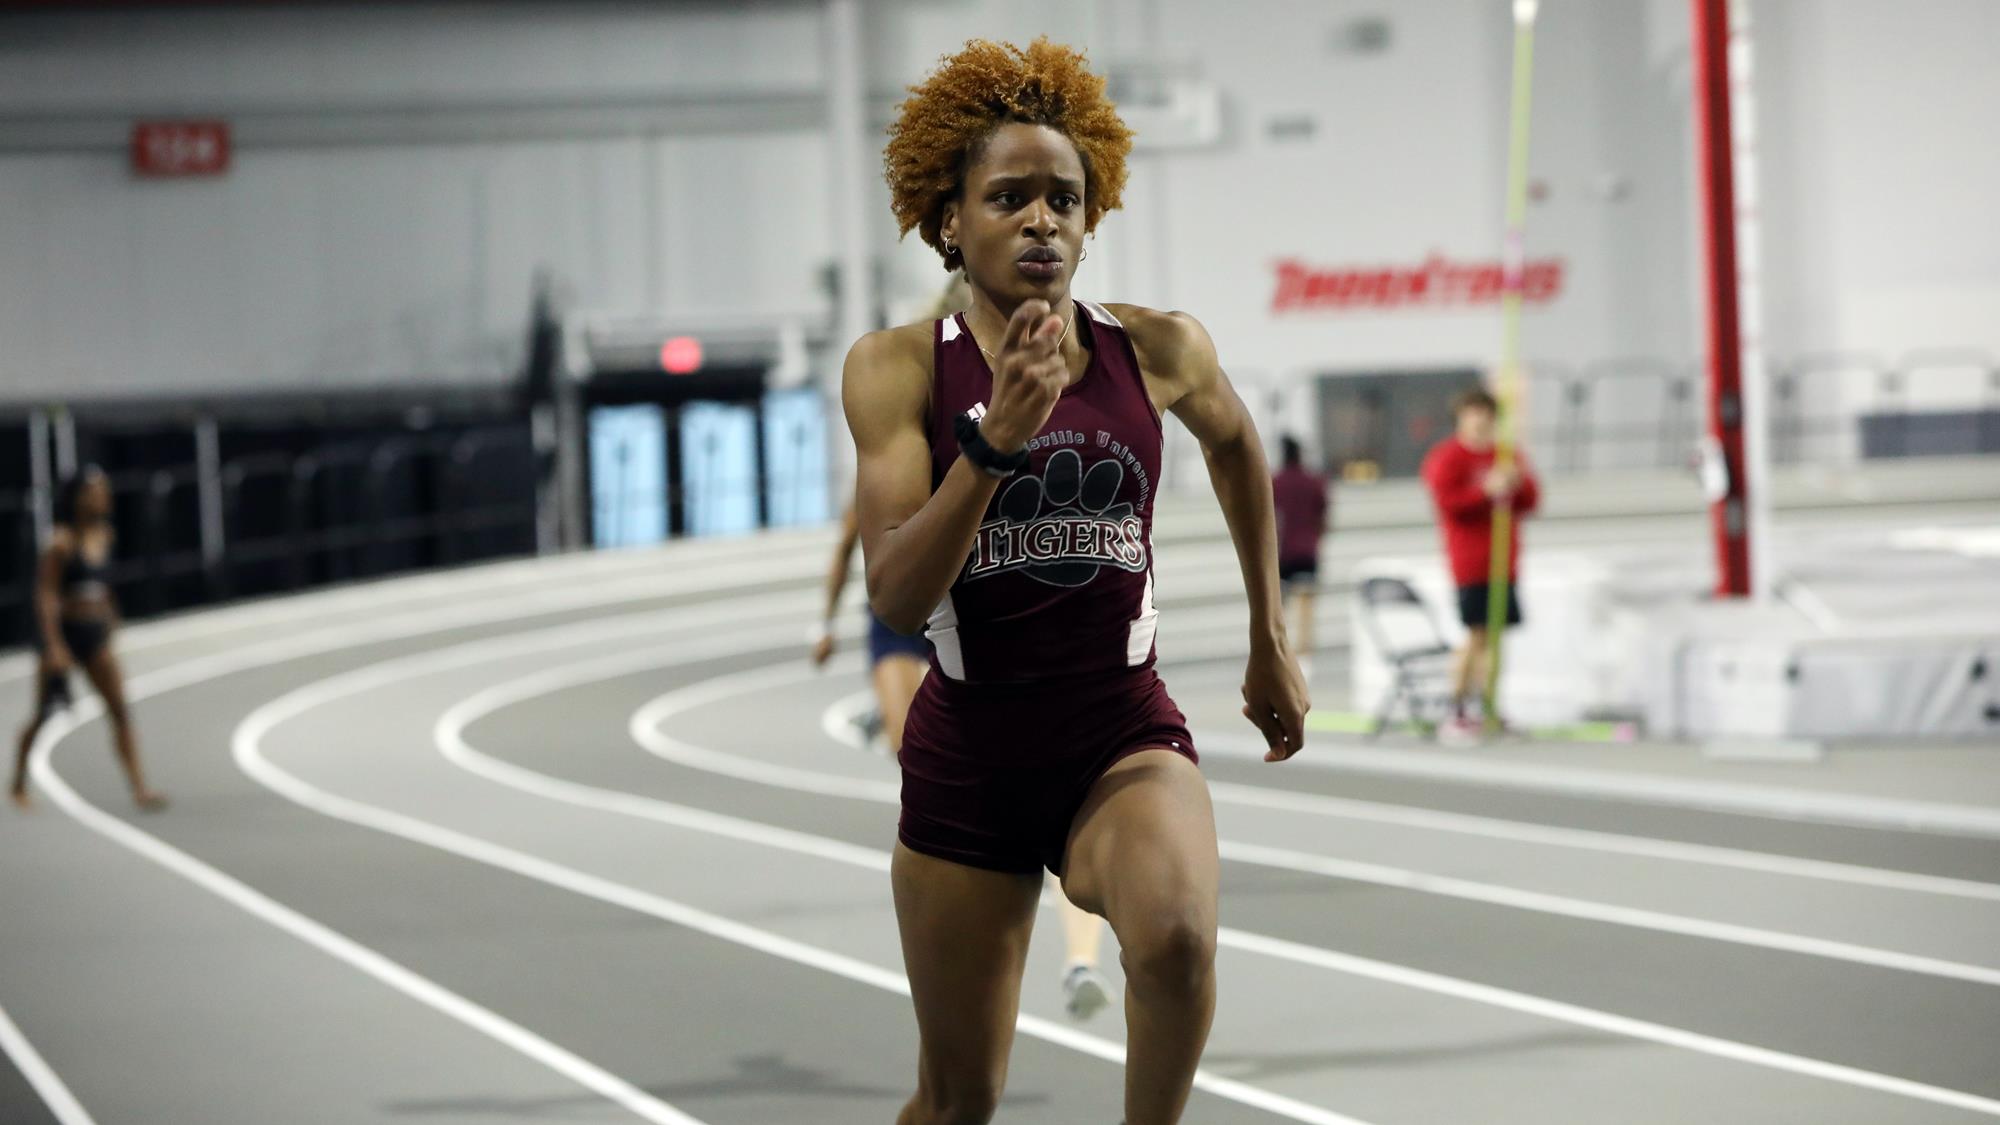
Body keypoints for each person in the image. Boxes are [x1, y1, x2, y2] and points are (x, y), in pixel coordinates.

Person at [846, 38, 1308, 1124]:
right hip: (969, 755)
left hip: (1118, 729)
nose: (1040, 220)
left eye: (1064, 197)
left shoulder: (1157, 351)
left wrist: (1267, 633)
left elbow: (1237, 449)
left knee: (1177, 940)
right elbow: (895, 598)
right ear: (949, 221)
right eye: (1008, 198)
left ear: (1091, 219)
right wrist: (994, 443)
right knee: (959, 1103)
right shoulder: (898, 368)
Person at [11, 466, 165, 811]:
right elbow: (46, 595)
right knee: (43, 715)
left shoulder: (105, 536)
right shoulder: (61, 542)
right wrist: (53, 646)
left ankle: (140, 788)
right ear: (79, 497)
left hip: (95, 635)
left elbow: (104, 588)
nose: (103, 497)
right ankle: (18, 782)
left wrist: (112, 622)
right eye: (96, 491)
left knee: (120, 710)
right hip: (66, 635)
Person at [1419, 388, 1540, 740]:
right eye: (1474, 412)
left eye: (1487, 412)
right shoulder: (1447, 457)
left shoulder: (1507, 455)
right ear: (1462, 416)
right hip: (1471, 560)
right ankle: (1456, 708)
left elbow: (1531, 500)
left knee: (1496, 639)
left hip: (1505, 560)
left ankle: (1488, 706)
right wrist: (1485, 490)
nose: (1481, 419)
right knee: (1475, 634)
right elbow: (1448, 504)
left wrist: (1514, 483)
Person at [1270, 435, 1330, 679]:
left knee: (1277, 610)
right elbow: (1324, 517)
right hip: (1307, 551)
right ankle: (1304, 661)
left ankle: (1279, 658)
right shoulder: (1314, 482)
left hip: (1282, 553)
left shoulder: (1276, 482)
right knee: (1306, 610)